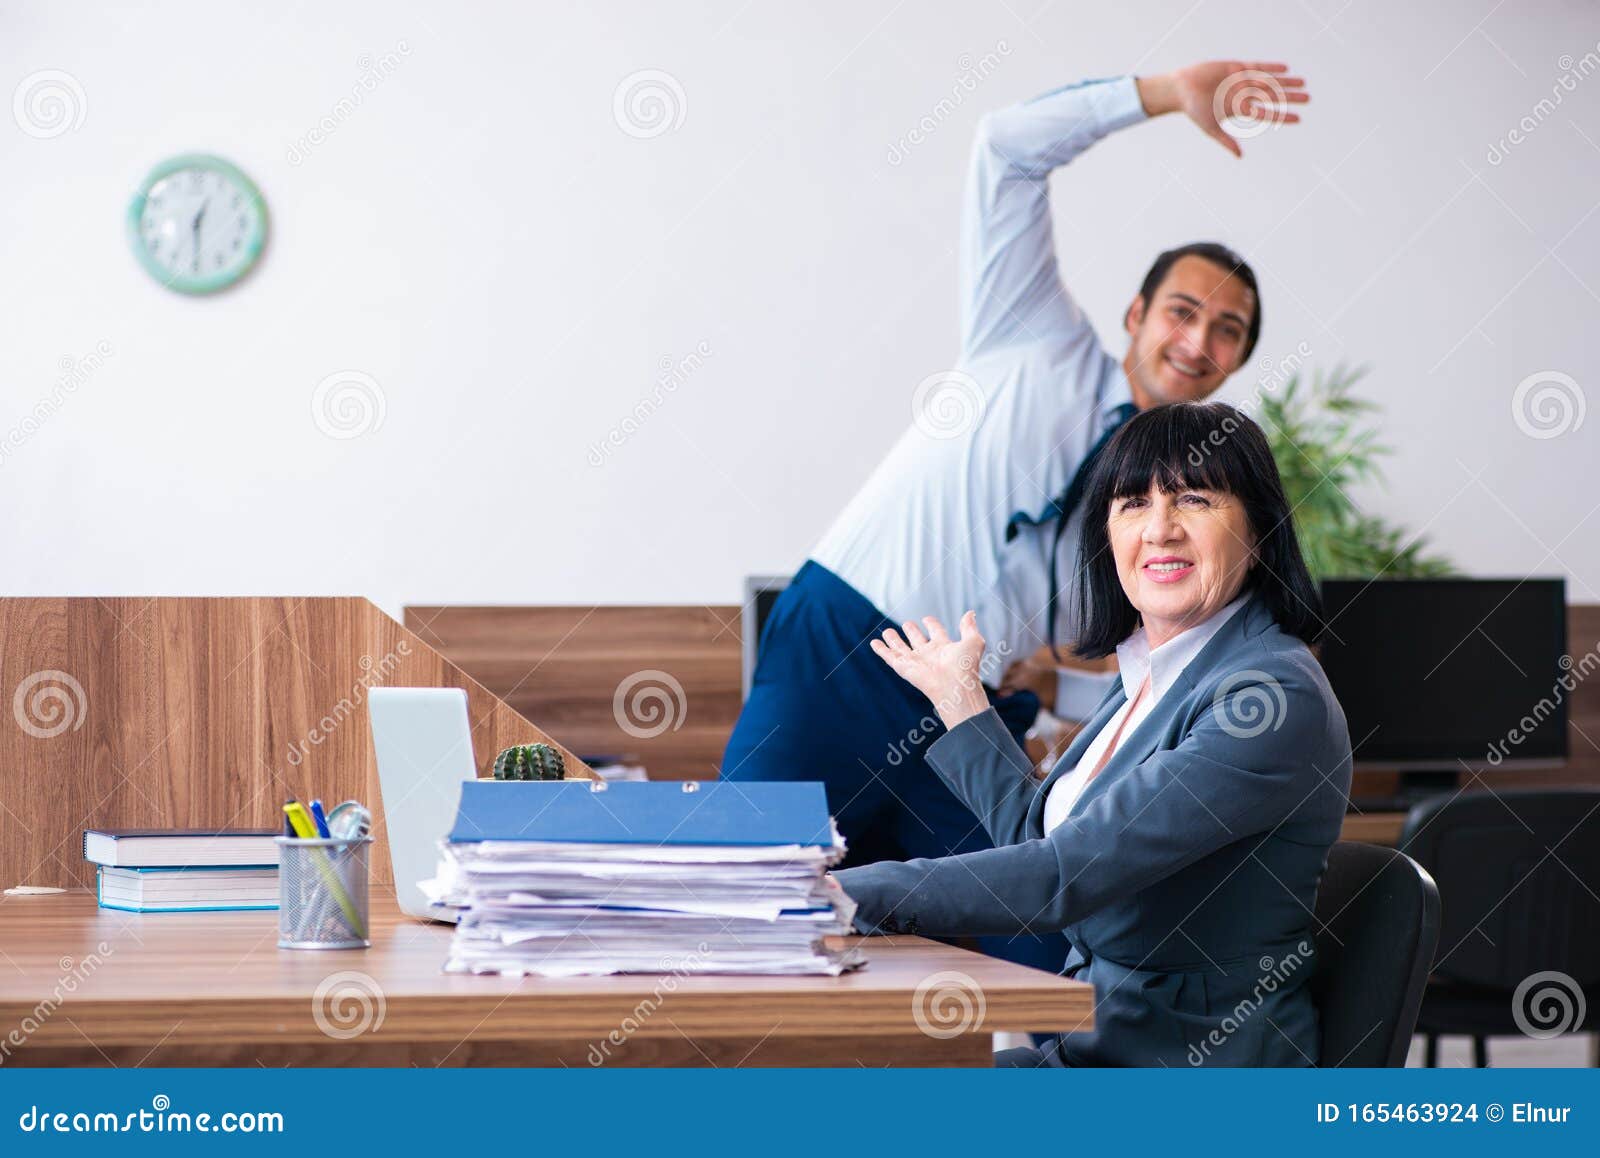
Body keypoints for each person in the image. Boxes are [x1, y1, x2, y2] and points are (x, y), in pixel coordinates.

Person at [723, 62, 1308, 970]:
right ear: (1136, 313)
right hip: (842, 651)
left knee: (1038, 939)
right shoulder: (1027, 332)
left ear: (1234, 365)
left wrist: (1094, 729)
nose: (1197, 341)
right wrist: (1162, 92)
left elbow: (1112, 653)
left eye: (1227, 331)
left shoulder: (1166, 516)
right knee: (745, 895)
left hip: (966, 711)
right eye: (1184, 311)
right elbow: (1006, 148)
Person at [831, 402, 1352, 1067]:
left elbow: (1060, 876)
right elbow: (1042, 843)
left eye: (1193, 499)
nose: (1160, 529)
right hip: (1095, 1050)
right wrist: (961, 699)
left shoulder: (1272, 697)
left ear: (1257, 528)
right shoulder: (1151, 676)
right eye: (1133, 503)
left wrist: (833, 895)